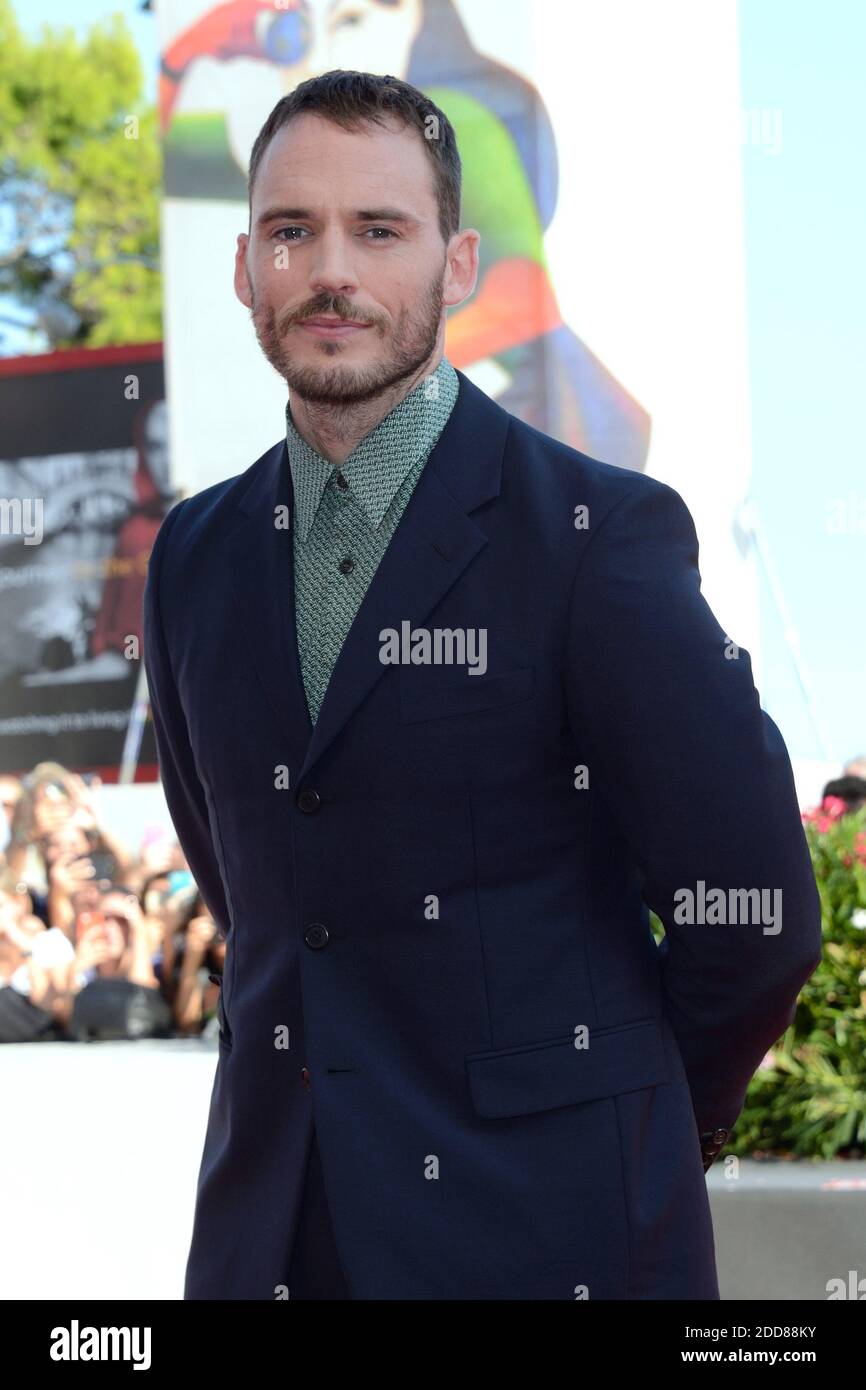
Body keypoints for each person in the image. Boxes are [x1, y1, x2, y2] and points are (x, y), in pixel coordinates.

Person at [142, 71, 822, 1301]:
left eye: (379, 230)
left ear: (457, 265)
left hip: (552, 1239)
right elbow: (256, 898)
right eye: (292, 230)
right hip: (270, 1243)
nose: (331, 269)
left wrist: (647, 1126)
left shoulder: (592, 538)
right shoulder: (192, 558)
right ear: (245, 268)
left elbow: (753, 914)